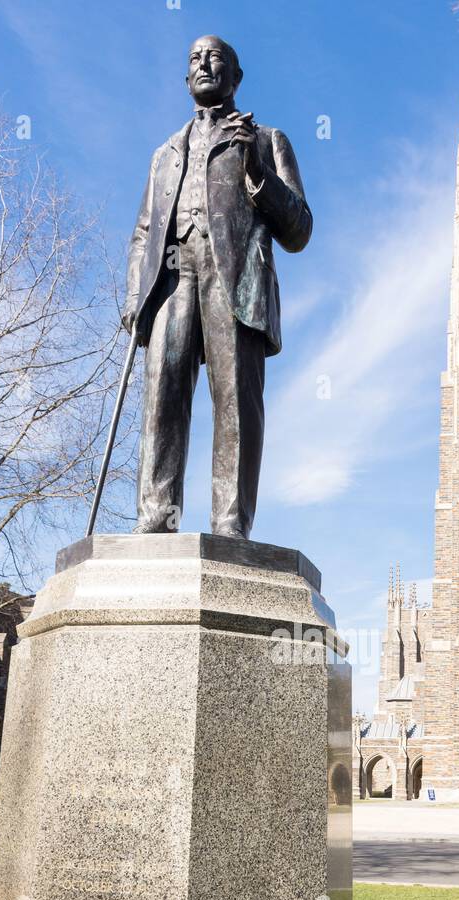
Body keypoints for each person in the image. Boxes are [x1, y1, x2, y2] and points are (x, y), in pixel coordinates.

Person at [123, 35, 312, 540]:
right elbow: (144, 230)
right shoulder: (165, 152)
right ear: (186, 78)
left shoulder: (267, 139)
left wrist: (256, 173)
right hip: (171, 275)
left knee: (235, 400)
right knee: (161, 394)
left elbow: (299, 229)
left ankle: (230, 524)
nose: (204, 64)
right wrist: (131, 299)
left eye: (216, 58)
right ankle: (156, 516)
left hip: (236, 278)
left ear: (236, 77)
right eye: (194, 59)